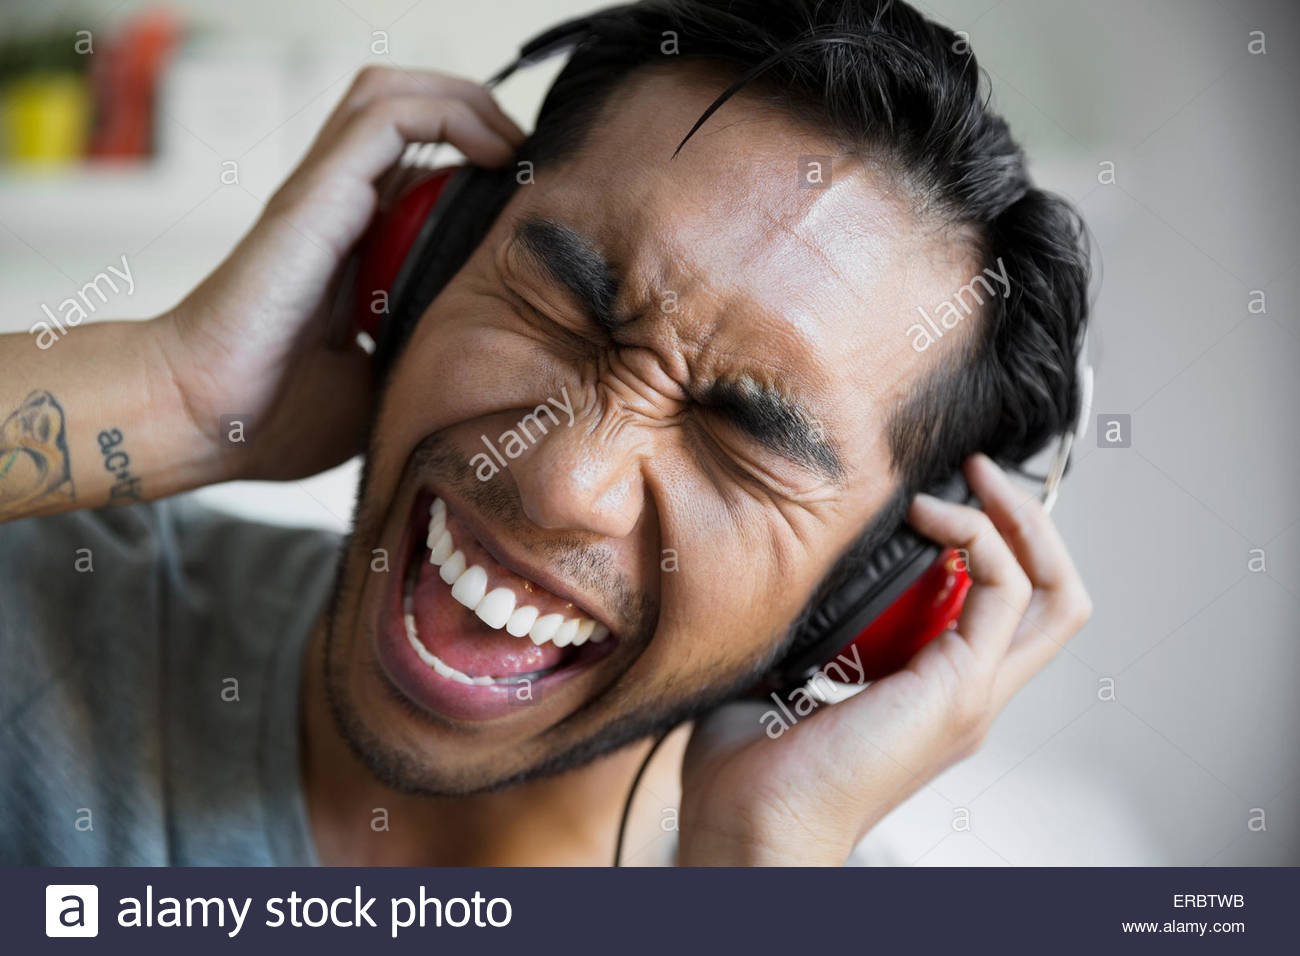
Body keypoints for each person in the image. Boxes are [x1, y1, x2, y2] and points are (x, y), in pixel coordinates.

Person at [0, 0, 1092, 866]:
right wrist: (174, 394)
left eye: (739, 432)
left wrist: (757, 863)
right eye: (564, 302)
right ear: (420, 265)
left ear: (871, 596)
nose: (567, 478)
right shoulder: (54, 616)